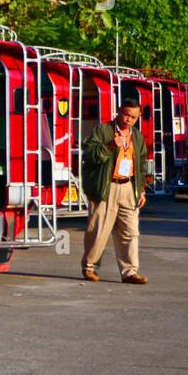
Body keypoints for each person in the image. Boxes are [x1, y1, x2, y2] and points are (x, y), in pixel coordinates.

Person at [80, 99, 149, 284]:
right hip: (106, 186)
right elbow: (89, 154)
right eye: (126, 115)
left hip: (128, 187)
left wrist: (141, 189)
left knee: (130, 231)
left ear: (138, 117)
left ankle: (129, 272)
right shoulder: (103, 130)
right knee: (98, 230)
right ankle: (90, 268)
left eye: (133, 117)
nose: (128, 120)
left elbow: (141, 164)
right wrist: (110, 146)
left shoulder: (137, 136)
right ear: (118, 112)